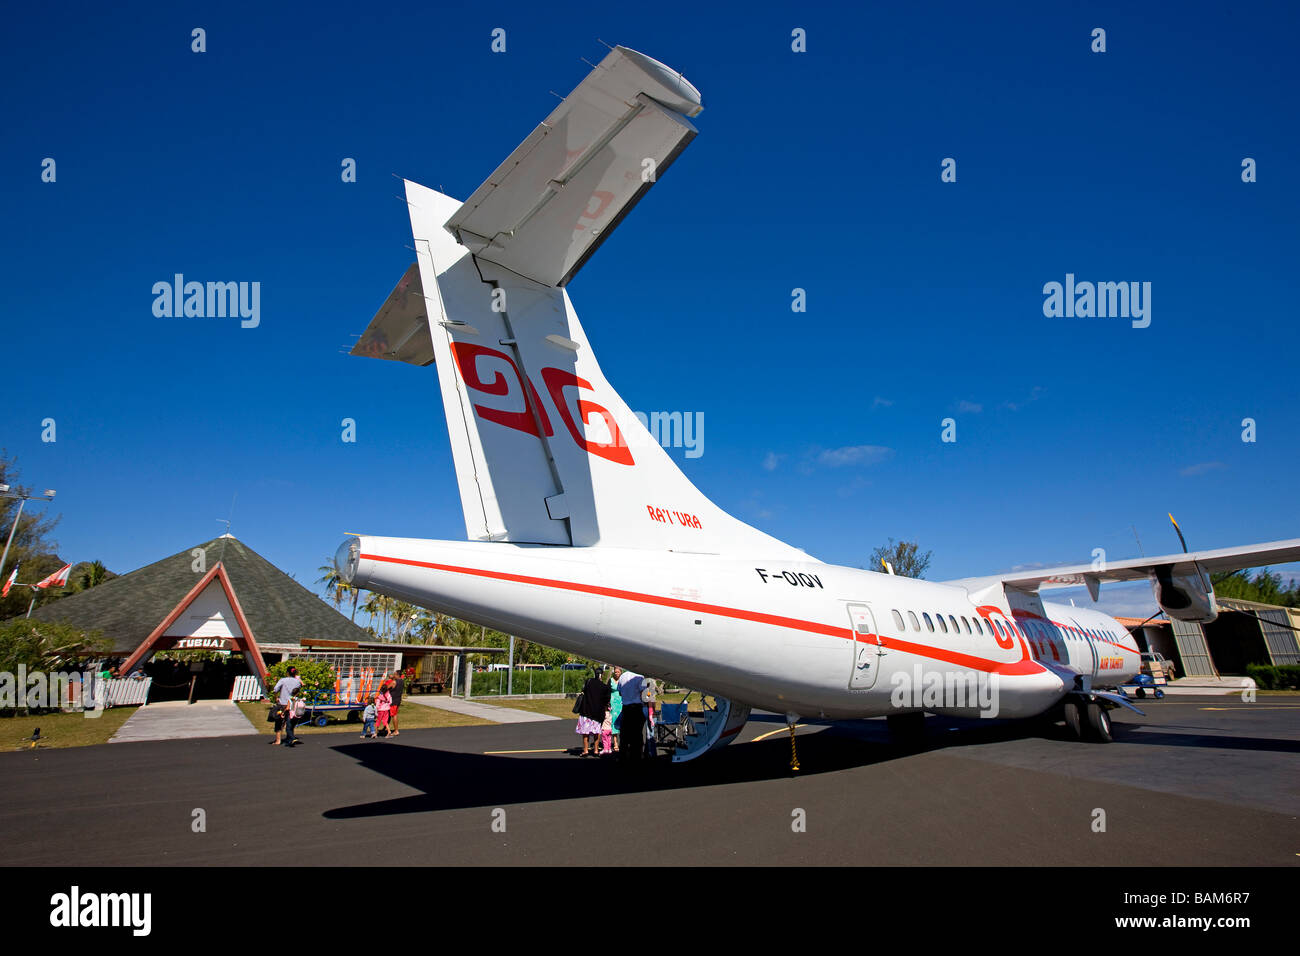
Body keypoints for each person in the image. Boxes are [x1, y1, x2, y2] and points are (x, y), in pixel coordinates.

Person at [575, 667, 610, 756]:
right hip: (597, 714)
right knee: (596, 732)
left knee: (585, 732)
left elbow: (583, 691)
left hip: (586, 711)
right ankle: (596, 750)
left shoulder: (589, 682)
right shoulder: (604, 687)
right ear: (601, 675)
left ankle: (586, 750)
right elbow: (606, 701)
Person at [615, 668, 646, 763]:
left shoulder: (622, 677)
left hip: (626, 707)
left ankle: (623, 756)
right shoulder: (640, 677)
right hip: (636, 707)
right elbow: (643, 692)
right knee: (637, 734)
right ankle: (636, 756)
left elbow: (619, 692)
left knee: (624, 734)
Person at [271, 666, 303, 747]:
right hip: (292, 704)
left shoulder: (283, 680)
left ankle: (278, 740)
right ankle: (290, 738)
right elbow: (298, 691)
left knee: (279, 722)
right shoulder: (297, 682)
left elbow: (275, 689)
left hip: (283, 703)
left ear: (287, 672)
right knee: (290, 722)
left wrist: (276, 697)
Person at [608, 667, 623, 753]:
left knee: (622, 722)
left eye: (618, 672)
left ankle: (622, 742)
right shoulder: (610, 681)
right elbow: (607, 691)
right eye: (615, 672)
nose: (616, 674)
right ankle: (615, 743)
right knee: (613, 722)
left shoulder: (622, 680)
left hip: (621, 703)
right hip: (613, 703)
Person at [388, 670, 404, 737]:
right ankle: (386, 728)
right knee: (390, 714)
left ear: (397, 675)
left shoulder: (394, 682)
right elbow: (396, 680)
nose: (393, 675)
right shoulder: (402, 681)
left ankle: (396, 730)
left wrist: (388, 680)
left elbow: (387, 687)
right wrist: (392, 678)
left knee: (394, 715)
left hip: (393, 700)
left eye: (394, 674)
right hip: (398, 699)